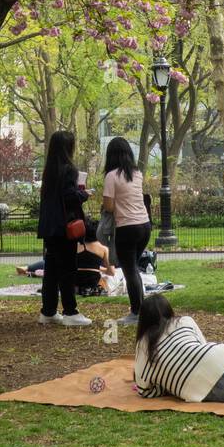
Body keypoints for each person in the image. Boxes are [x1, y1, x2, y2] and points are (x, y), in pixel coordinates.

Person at [38, 129, 92, 326]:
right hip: (64, 227)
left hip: (49, 227)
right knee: (68, 269)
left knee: (51, 270)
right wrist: (85, 194)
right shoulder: (69, 170)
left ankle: (48, 310)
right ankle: (70, 311)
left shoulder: (49, 171)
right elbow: (69, 197)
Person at [102, 136, 151, 325]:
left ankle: (137, 312)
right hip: (144, 225)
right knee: (134, 269)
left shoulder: (112, 176)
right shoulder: (137, 173)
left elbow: (109, 206)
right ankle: (142, 310)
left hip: (127, 227)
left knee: (130, 270)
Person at [76, 220, 116, 295]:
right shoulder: (104, 248)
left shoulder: (75, 246)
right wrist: (100, 269)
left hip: (76, 283)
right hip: (94, 284)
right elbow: (112, 272)